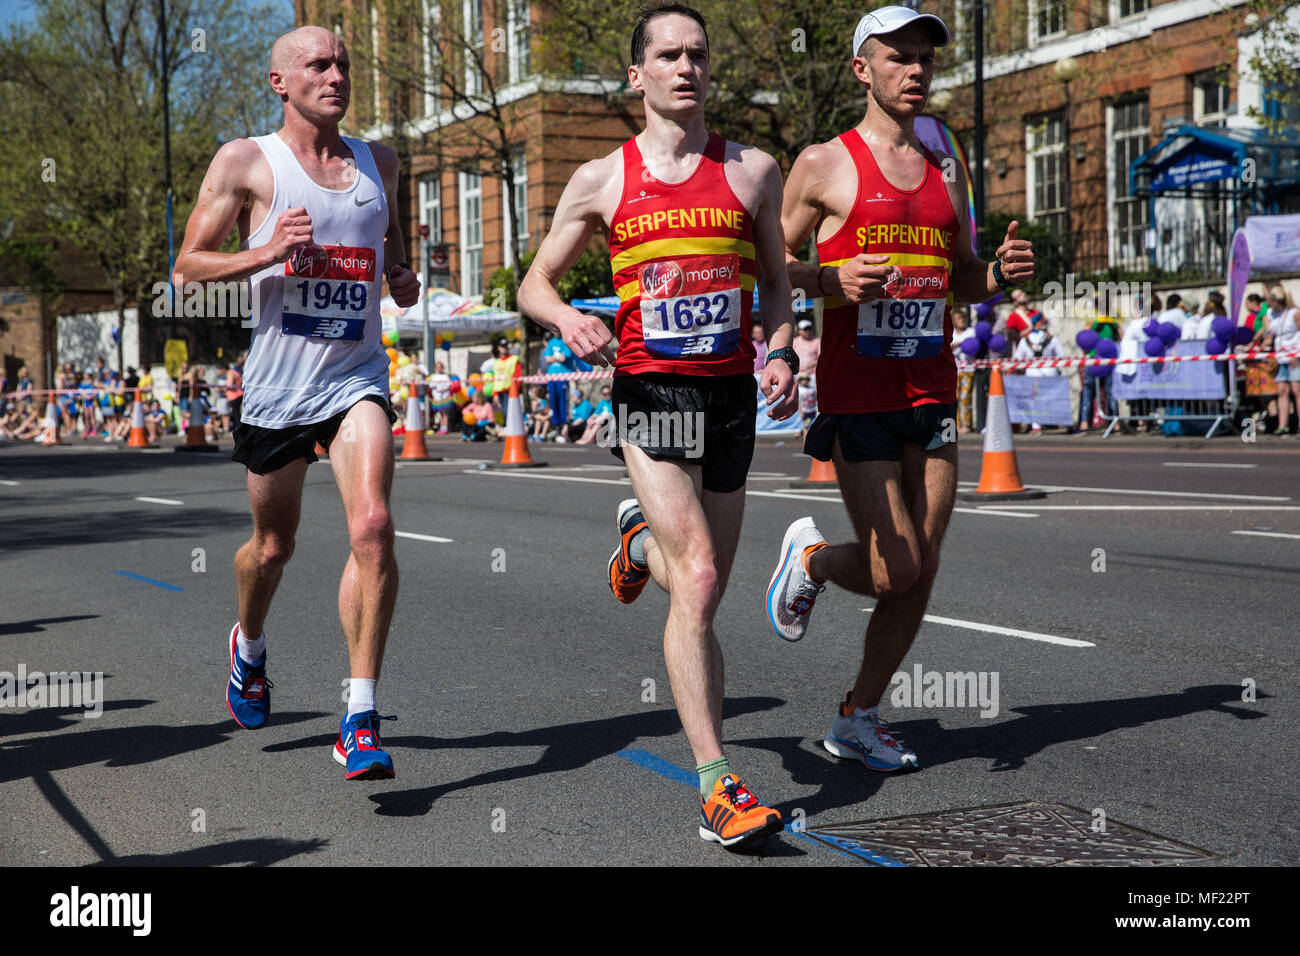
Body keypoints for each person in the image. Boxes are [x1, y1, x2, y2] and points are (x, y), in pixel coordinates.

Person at [518, 2, 798, 848]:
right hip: (653, 394)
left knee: (698, 596)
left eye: (699, 55)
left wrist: (782, 352)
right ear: (637, 75)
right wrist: (567, 321)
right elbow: (533, 285)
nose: (687, 68)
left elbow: (779, 286)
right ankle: (716, 784)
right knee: (705, 576)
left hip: (731, 397)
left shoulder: (753, 171)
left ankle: (637, 546)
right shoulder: (602, 179)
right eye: (669, 56)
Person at [767, 5, 1034, 773]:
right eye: (898, 57)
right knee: (896, 568)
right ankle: (812, 561)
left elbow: (964, 277)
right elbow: (769, 268)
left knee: (927, 561)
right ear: (863, 68)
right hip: (857, 393)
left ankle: (859, 715)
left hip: (931, 384)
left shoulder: (949, 158)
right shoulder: (822, 163)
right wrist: (830, 278)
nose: (916, 70)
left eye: (925, 57)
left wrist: (1000, 278)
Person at [173, 25, 420, 780]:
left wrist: (403, 277)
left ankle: (359, 716)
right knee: (271, 549)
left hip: (356, 379)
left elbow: (393, 249)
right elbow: (185, 270)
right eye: (317, 64)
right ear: (280, 81)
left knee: (373, 527)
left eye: (343, 62)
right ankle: (248, 647)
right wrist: (265, 252)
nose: (335, 74)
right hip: (277, 391)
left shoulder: (381, 162)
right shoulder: (247, 161)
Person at [1268, 288, 1299, 435]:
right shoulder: (1272, 314)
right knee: (1282, 391)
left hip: (1295, 356)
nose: (1269, 304)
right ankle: (1283, 425)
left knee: (1296, 390)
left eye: (1271, 301)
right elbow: (1271, 334)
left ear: (1278, 301)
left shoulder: (1294, 313)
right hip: (1280, 357)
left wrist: (1297, 353)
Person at [949, 307, 975, 433]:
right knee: (955, 397)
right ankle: (957, 424)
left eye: (963, 318)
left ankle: (967, 424)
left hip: (968, 370)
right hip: (955, 370)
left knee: (965, 397)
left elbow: (973, 346)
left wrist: (960, 344)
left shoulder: (971, 332)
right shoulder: (952, 333)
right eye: (959, 318)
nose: (962, 321)